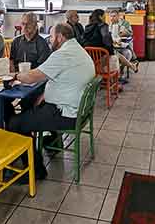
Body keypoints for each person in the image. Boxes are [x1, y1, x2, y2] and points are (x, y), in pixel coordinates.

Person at [8, 23, 95, 180]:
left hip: (65, 114)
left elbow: (30, 77)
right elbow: (63, 78)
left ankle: (35, 170)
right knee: (30, 103)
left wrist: (14, 76)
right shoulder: (78, 50)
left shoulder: (62, 55)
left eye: (51, 37)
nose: (49, 41)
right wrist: (46, 93)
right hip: (76, 107)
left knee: (15, 123)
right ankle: (52, 144)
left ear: (60, 37)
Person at [83, 9, 138, 73]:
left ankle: (131, 66)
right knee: (116, 53)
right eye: (104, 16)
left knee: (118, 53)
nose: (106, 17)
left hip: (91, 55)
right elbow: (107, 41)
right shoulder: (103, 26)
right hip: (102, 55)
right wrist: (112, 50)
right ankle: (130, 67)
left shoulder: (87, 26)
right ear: (100, 17)